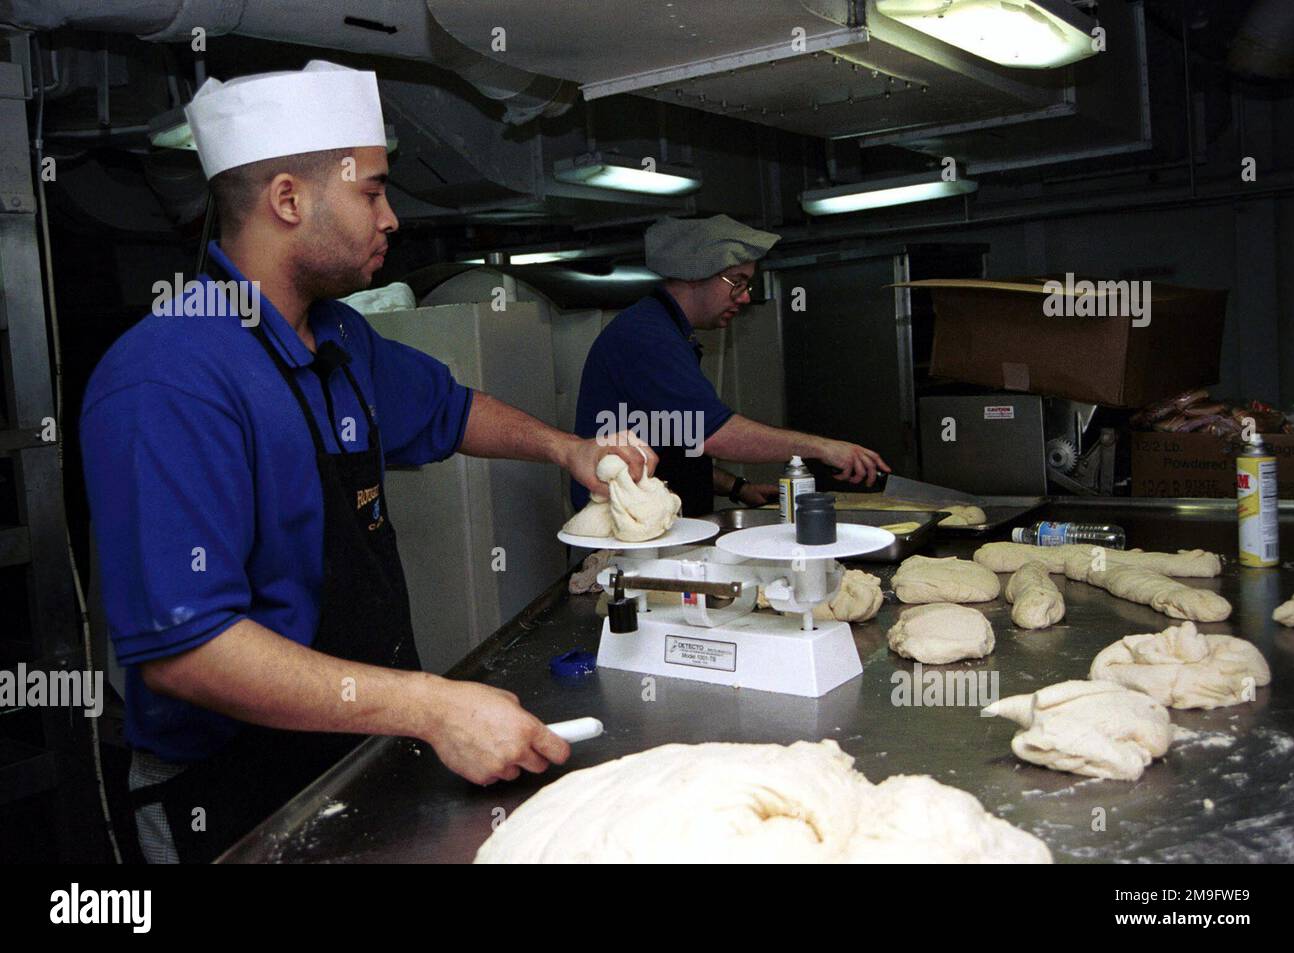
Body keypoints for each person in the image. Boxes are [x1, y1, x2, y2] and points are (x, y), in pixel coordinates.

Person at [80, 61, 654, 863]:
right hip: (227, 790)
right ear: (288, 199)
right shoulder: (169, 377)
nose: (392, 217)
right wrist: (427, 705)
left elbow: (453, 412)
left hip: (354, 747)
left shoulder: (341, 338)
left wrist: (571, 449)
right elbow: (187, 651)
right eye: (372, 191)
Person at [571, 214, 889, 517]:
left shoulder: (666, 332)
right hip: (625, 534)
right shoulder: (647, 337)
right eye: (737, 281)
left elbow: (671, 443)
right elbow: (712, 434)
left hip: (654, 523)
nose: (745, 298)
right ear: (695, 275)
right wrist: (823, 448)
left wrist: (737, 487)